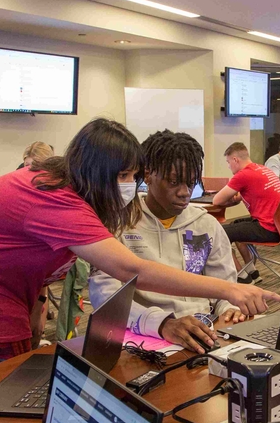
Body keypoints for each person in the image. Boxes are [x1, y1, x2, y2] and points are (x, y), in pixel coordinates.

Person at [0, 119, 278, 379]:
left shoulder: (73, 190)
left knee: (21, 372)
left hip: (11, 287)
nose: (129, 185)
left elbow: (28, 255)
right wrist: (231, 289)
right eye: (123, 175)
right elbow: (129, 272)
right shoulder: (58, 200)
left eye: (132, 175)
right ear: (97, 173)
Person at [88, 130, 246, 354]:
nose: (185, 193)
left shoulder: (206, 225)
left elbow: (223, 290)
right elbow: (105, 297)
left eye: (191, 183)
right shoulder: (120, 222)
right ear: (149, 175)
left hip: (202, 333)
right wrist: (162, 324)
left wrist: (229, 308)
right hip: (143, 336)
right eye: (174, 182)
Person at [211, 142, 280, 283]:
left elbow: (216, 200)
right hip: (279, 226)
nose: (228, 166)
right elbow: (242, 196)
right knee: (236, 225)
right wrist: (236, 199)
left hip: (267, 228)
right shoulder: (262, 169)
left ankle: (241, 276)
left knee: (219, 233)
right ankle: (252, 271)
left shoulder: (243, 175)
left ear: (235, 160)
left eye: (228, 162)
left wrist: (230, 200)